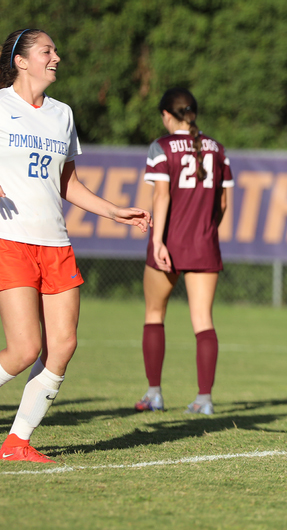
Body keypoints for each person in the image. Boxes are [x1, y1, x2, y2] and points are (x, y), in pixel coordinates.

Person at [0, 28, 151, 463]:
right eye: (47, 51)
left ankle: (17, 443)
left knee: (62, 346)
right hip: (11, 241)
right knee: (25, 348)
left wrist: (113, 211)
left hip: (56, 243)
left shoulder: (62, 114)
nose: (57, 58)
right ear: (21, 61)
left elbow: (67, 182)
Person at [134, 88, 233, 416]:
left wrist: (159, 241)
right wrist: (205, 230)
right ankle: (204, 399)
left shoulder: (160, 147)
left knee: (154, 314)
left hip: (169, 244)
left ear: (167, 115)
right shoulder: (217, 149)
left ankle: (154, 394)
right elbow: (222, 203)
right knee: (203, 321)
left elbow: (160, 197)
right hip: (204, 245)